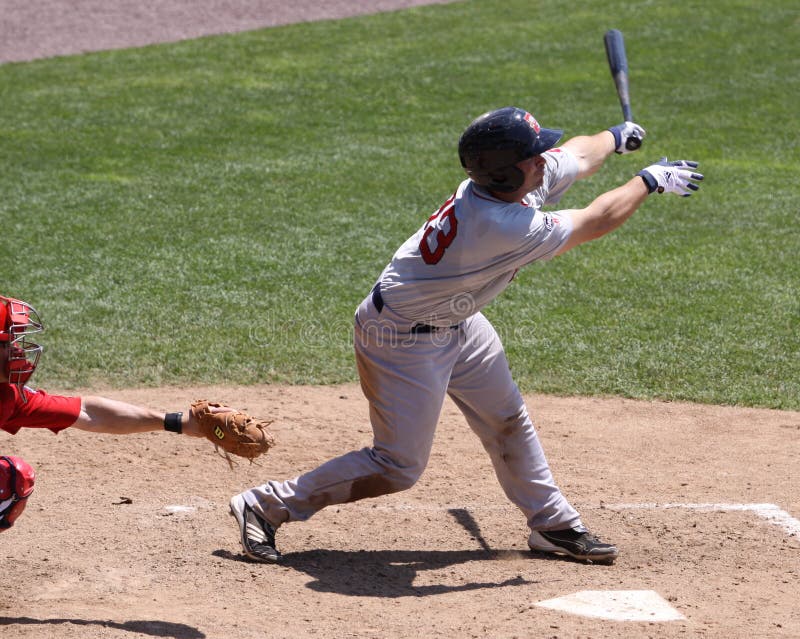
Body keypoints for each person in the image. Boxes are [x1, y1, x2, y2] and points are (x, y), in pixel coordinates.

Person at [229, 107, 703, 564]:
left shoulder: (509, 185)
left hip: (457, 322)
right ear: (504, 173)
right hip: (401, 339)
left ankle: (552, 524)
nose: (543, 160)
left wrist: (617, 136)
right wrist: (648, 181)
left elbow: (577, 156)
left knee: (506, 417)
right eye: (533, 156)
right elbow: (595, 220)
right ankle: (264, 506)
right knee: (397, 466)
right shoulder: (500, 223)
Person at [0, 294, 237, 530]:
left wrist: (178, 422)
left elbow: (88, 412)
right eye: (8, 343)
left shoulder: (7, 396)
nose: (18, 351)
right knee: (6, 483)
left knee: (14, 478)